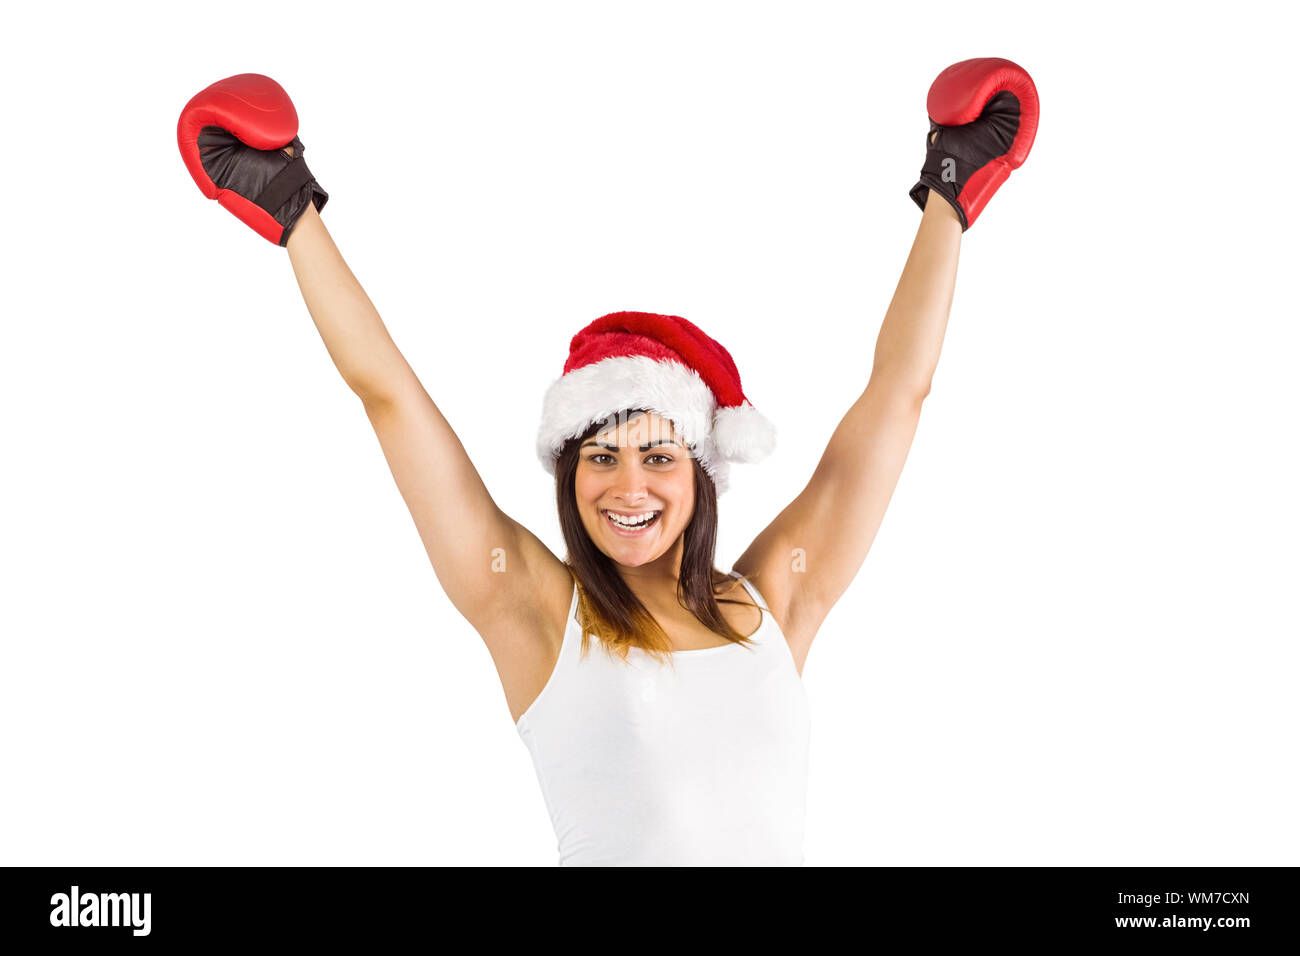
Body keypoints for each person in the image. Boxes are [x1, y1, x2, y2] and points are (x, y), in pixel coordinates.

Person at [177, 59, 1038, 866]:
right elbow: (392, 399)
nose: (629, 486)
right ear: (568, 473)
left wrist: (949, 194)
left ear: (702, 476)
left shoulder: (775, 600)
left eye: (659, 455)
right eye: (601, 456)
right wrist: (296, 214)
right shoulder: (536, 610)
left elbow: (898, 395)